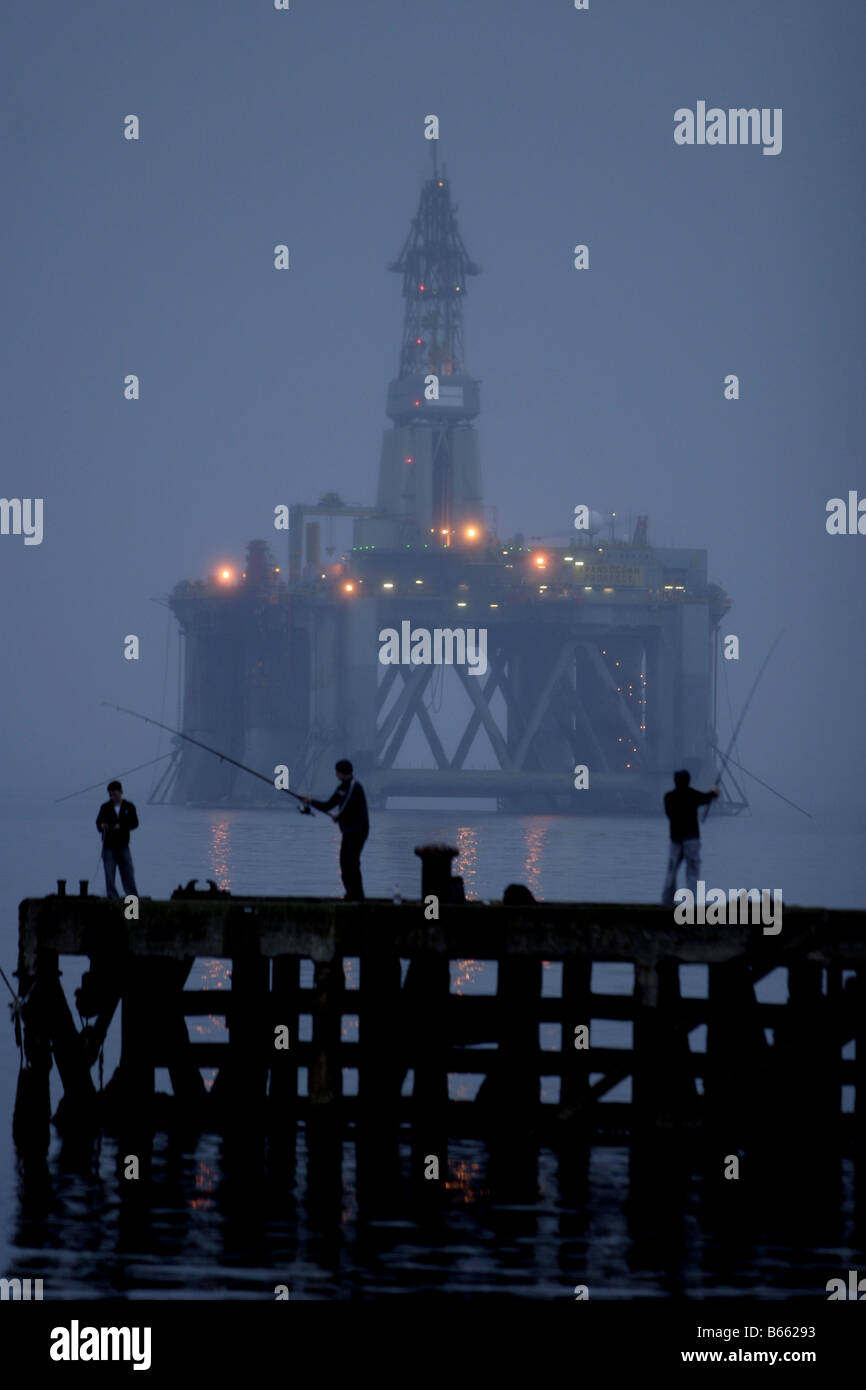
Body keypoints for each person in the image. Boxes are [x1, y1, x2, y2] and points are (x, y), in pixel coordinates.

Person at [302, 760, 369, 900]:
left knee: (352, 862)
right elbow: (328, 805)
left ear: (342, 772)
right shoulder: (340, 789)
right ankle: (350, 893)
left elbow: (347, 805)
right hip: (348, 831)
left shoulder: (354, 786)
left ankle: (358, 896)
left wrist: (338, 815)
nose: (335, 774)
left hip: (359, 830)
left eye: (337, 771)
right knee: (344, 862)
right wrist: (310, 801)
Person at [661, 769, 719, 906]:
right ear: (688, 780)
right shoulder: (692, 795)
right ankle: (690, 902)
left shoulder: (668, 797)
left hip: (675, 840)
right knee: (692, 871)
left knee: (672, 871)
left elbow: (670, 815)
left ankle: (667, 901)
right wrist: (714, 791)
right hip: (691, 839)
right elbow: (707, 797)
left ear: (675, 781)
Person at [96, 780, 139, 899]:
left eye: (114, 794)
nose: (112, 797)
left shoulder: (129, 807)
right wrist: (102, 826)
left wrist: (122, 825)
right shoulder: (105, 807)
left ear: (121, 792)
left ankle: (132, 900)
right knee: (109, 876)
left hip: (124, 847)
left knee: (128, 874)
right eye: (110, 794)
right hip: (108, 847)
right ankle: (113, 898)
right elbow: (98, 823)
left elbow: (135, 823)